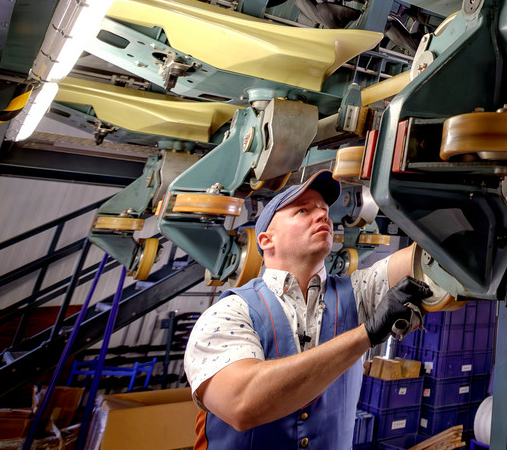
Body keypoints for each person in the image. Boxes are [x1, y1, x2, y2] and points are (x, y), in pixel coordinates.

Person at [185, 170, 431, 450]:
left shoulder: (358, 293)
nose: (323, 216)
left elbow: (427, 259)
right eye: (303, 210)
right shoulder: (230, 312)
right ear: (266, 240)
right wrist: (366, 335)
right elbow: (243, 403)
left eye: (325, 210)